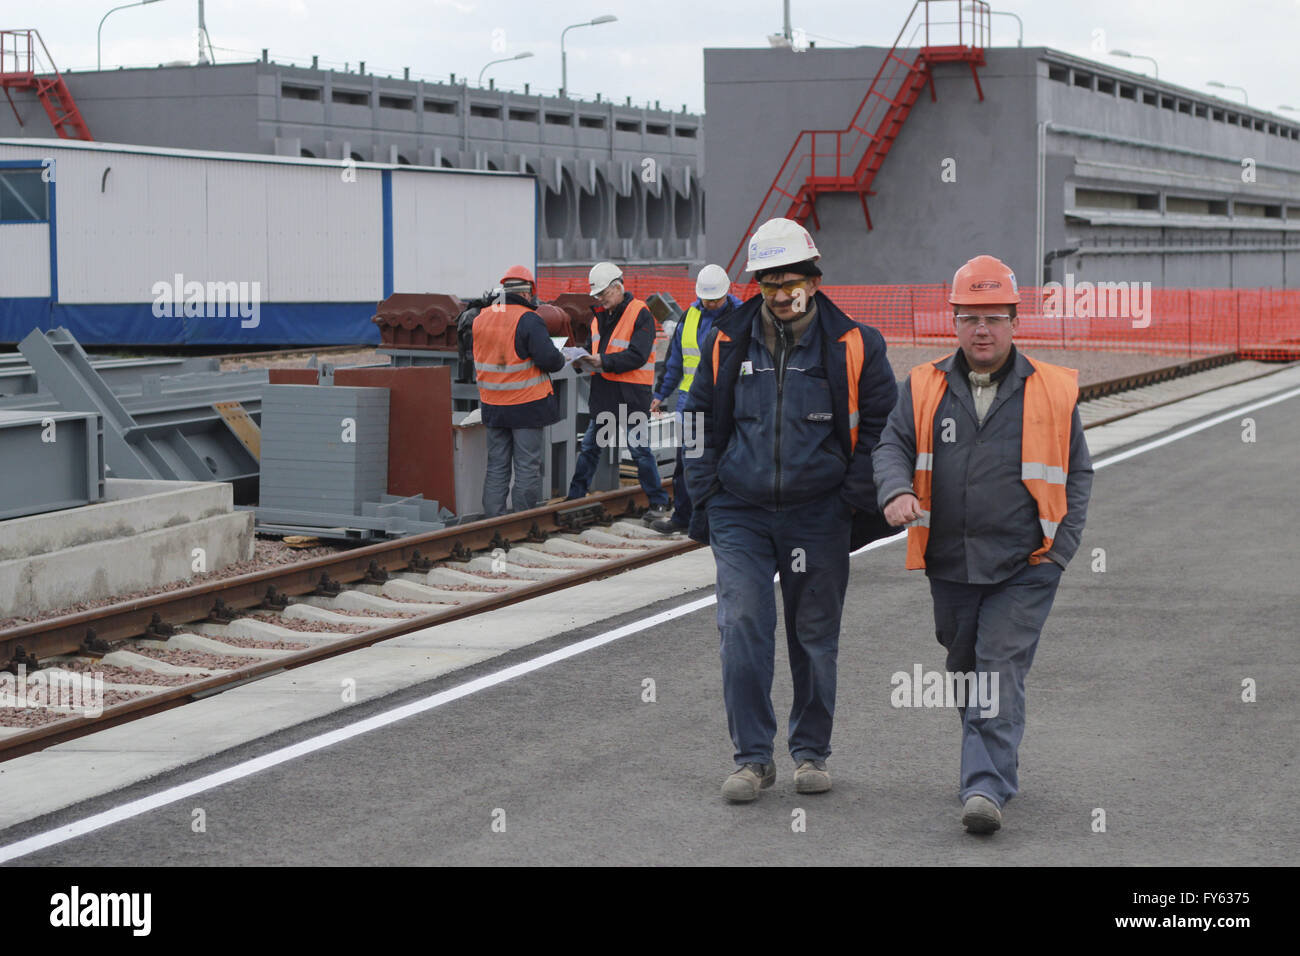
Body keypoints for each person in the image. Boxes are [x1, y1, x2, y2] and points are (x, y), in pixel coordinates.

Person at [871, 254, 1094, 835]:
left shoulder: (1049, 389)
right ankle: (991, 762)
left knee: (998, 667)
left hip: (1026, 562)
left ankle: (985, 786)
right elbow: (890, 445)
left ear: (1015, 320)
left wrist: (1061, 551)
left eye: (993, 318)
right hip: (948, 562)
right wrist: (895, 490)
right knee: (966, 667)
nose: (982, 330)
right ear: (954, 321)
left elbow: (1078, 474)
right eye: (971, 318)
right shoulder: (923, 385)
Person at [684, 218, 898, 802]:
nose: (781, 293)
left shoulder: (856, 344)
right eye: (769, 281)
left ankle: (810, 752)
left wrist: (851, 500)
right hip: (740, 512)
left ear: (814, 278)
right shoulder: (727, 340)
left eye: (791, 280)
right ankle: (753, 759)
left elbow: (882, 427)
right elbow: (699, 416)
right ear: (757, 283)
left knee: (813, 635)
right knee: (744, 626)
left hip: (817, 514)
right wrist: (706, 490)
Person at [566, 261, 671, 521]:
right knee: (591, 447)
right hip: (605, 393)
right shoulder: (598, 318)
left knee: (639, 451)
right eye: (597, 295)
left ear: (617, 287)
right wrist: (582, 361)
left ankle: (658, 502)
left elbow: (638, 355)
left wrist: (603, 361)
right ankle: (574, 498)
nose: (600, 299)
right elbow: (593, 350)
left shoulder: (640, 313)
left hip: (631, 395)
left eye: (603, 294)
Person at [648, 264, 743, 535]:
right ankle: (684, 516)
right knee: (687, 463)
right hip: (691, 403)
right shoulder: (689, 317)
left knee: (728, 461)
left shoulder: (743, 316)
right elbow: (675, 360)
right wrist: (660, 393)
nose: (711, 304)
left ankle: (725, 519)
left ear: (727, 292)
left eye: (716, 299)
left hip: (730, 401)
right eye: (707, 299)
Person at [472, 265, 565, 517]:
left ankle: (494, 522)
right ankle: (521, 522)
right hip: (526, 406)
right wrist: (561, 357)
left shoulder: (481, 318)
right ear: (527, 294)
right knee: (526, 466)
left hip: (492, 406)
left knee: (497, 466)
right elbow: (550, 360)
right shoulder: (528, 319)